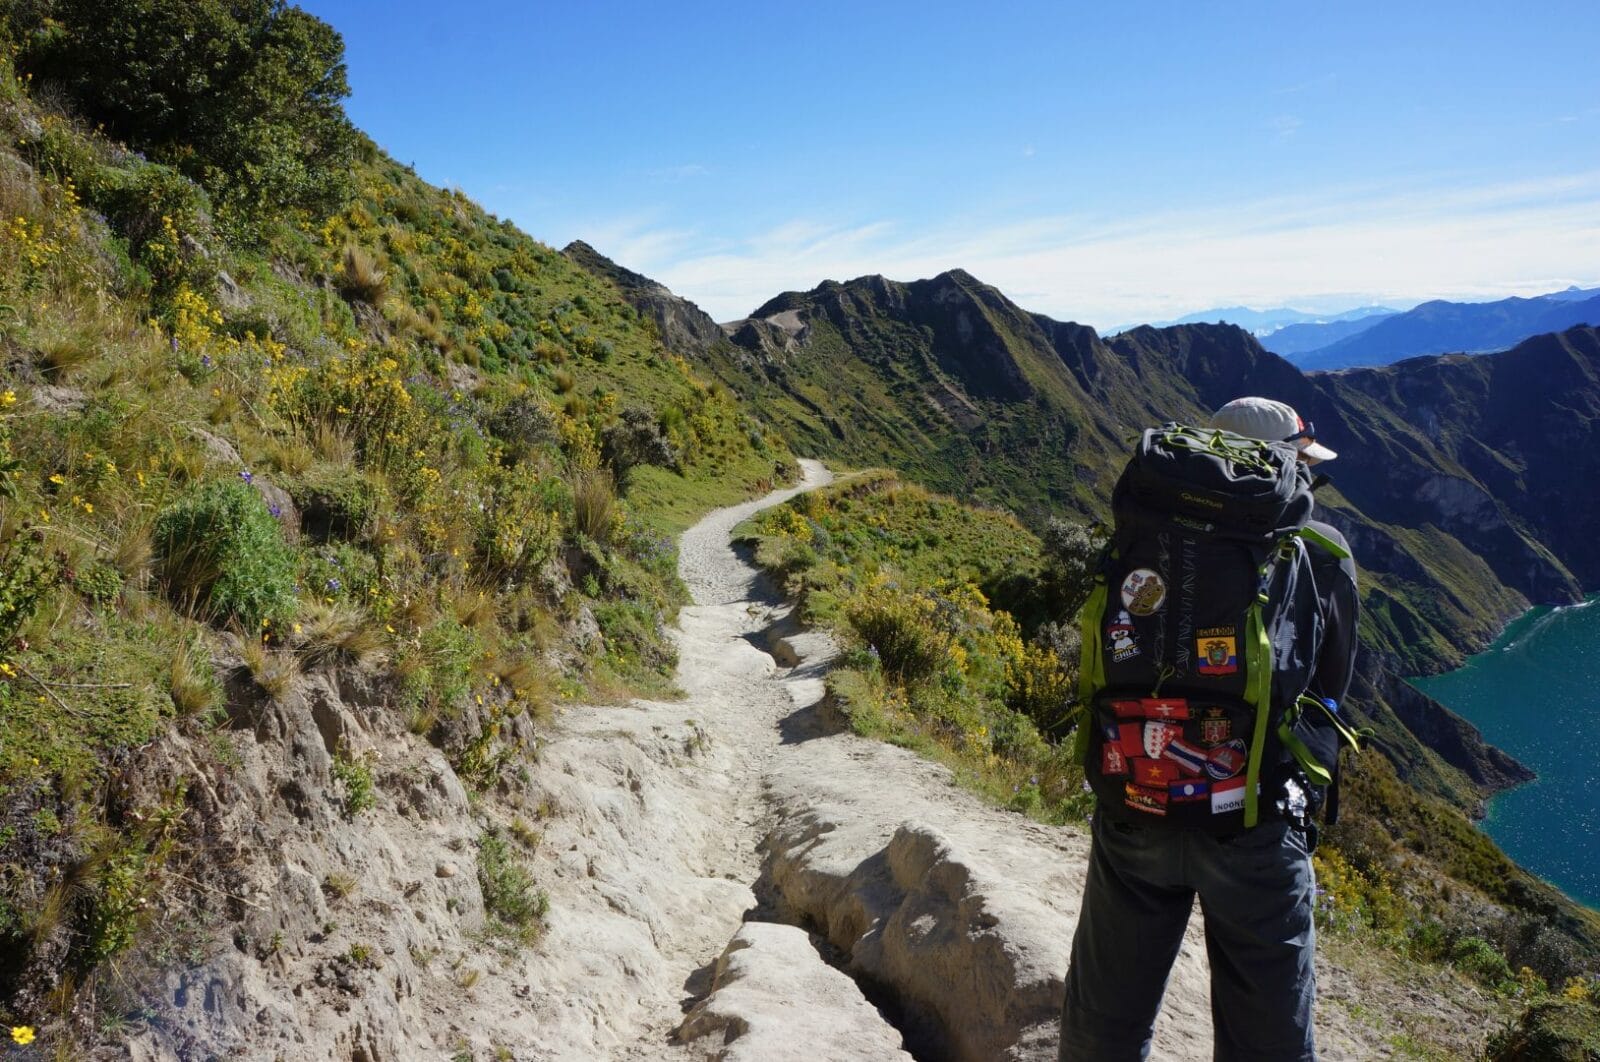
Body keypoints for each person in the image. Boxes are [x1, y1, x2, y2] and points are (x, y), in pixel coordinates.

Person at [1058, 396, 1359, 1062]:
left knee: (1105, 1018)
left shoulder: (1147, 532)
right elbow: (1331, 689)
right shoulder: (1322, 551)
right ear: (1285, 463)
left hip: (1136, 796)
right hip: (1255, 818)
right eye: (1307, 464)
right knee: (1267, 1041)